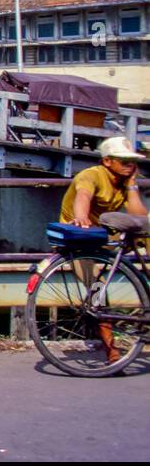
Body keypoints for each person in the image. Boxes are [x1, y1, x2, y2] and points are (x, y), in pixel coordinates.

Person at [59, 136, 147, 364]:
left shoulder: (124, 180)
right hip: (81, 239)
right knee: (97, 291)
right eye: (124, 161)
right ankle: (112, 351)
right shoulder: (92, 175)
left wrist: (132, 185)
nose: (130, 166)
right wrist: (81, 218)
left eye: (132, 162)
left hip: (107, 235)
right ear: (107, 161)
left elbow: (139, 216)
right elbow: (83, 196)